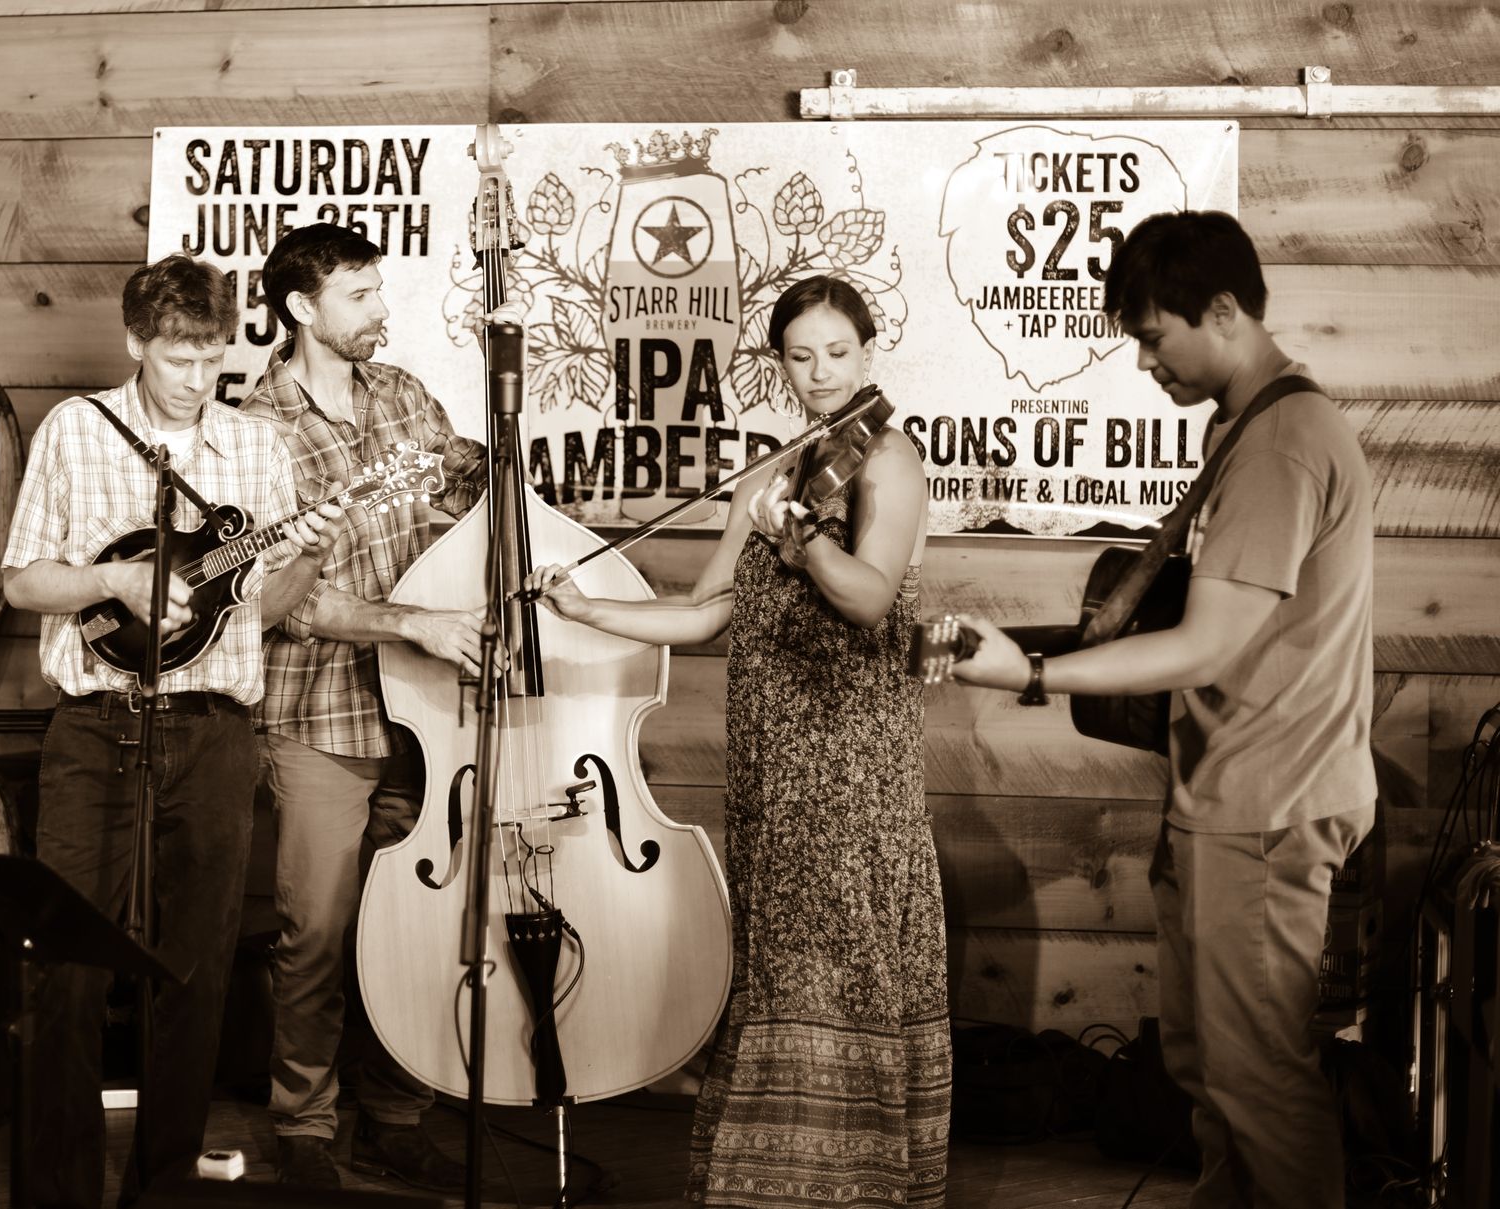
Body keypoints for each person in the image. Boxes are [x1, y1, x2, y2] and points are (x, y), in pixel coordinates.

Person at [946, 210, 1375, 1209]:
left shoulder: (1281, 441)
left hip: (1266, 806)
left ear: (1221, 309)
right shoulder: (1246, 422)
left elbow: (1204, 642)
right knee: (1207, 1073)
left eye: (1152, 335)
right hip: (1225, 793)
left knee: (1257, 1080)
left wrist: (1034, 679)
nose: (1144, 362)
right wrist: (1032, 652)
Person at [523, 274, 952, 1207]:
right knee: (777, 954)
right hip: (770, 753)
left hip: (850, 752)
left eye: (839, 353)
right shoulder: (773, 470)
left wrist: (800, 541)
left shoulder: (890, 462)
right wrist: (587, 605)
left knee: (843, 951)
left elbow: (871, 597)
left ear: (869, 353)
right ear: (779, 363)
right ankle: (772, 1176)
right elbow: (710, 608)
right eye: (801, 356)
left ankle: (853, 1178)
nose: (821, 374)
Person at [2, 252, 341, 1209]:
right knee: (63, 963)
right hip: (94, 726)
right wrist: (112, 580)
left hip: (213, 733)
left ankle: (163, 1187)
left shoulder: (256, 450)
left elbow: (260, 611)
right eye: (178, 359)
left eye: (212, 358)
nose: (197, 380)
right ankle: (58, 1191)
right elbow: (22, 581)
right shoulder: (76, 432)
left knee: (194, 966)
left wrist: (308, 559)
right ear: (136, 343)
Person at [239, 222, 493, 1190]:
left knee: (421, 921)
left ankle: (397, 1110)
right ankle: (304, 1126)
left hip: (431, 715)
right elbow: (277, 600)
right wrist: (410, 625)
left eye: (380, 292)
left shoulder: (405, 398)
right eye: (359, 295)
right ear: (301, 309)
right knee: (319, 931)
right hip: (320, 719)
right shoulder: (256, 430)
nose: (381, 311)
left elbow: (473, 499)